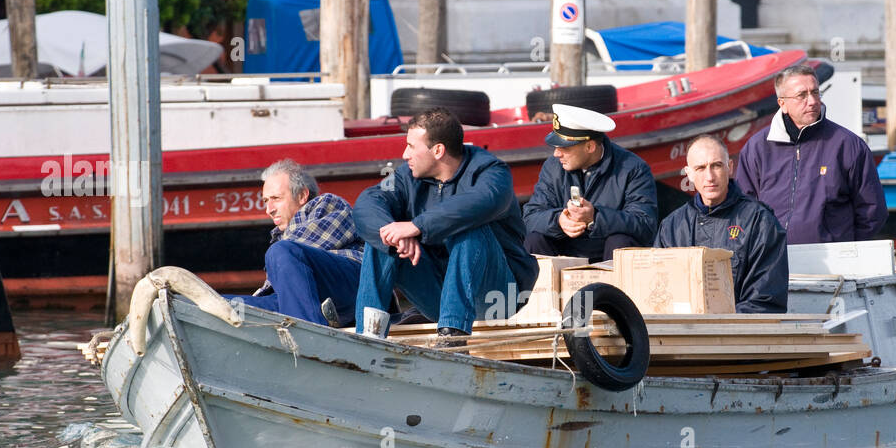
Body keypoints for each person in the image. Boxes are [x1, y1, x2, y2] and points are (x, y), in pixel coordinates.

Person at [353, 107, 538, 344]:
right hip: (438, 296)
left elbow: (481, 201)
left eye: (411, 146)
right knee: (384, 236)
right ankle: (367, 335)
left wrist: (417, 226)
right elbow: (369, 201)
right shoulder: (404, 177)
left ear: (438, 150)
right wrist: (397, 234)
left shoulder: (491, 172)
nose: (404, 154)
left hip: (496, 297)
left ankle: (453, 336)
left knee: (469, 226)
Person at [734, 63, 887, 245]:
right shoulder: (757, 148)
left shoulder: (848, 145)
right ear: (782, 104)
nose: (813, 101)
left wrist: (846, 249)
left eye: (815, 92)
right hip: (772, 260)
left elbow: (872, 211)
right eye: (802, 95)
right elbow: (744, 208)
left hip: (833, 263)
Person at [655, 134, 788, 313]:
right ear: (689, 174)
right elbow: (660, 291)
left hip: (740, 334)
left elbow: (765, 300)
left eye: (716, 165)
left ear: (730, 167)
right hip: (684, 333)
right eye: (701, 168)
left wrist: (719, 324)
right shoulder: (671, 226)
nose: (709, 177)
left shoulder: (760, 222)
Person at [227, 158, 363, 326]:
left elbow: (297, 249)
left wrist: (272, 274)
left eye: (276, 198)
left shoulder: (329, 205)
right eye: (265, 201)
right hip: (311, 299)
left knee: (281, 252)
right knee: (223, 304)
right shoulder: (285, 241)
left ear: (302, 195)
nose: (269, 209)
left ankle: (310, 337)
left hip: (352, 286)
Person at [522, 103, 657, 261]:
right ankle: (541, 286)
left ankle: (613, 286)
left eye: (564, 148)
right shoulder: (553, 166)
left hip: (609, 253)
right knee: (534, 239)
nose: (556, 153)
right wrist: (558, 220)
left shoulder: (633, 168)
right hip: (564, 250)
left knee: (620, 241)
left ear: (590, 146)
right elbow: (530, 217)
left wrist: (594, 218)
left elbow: (646, 225)